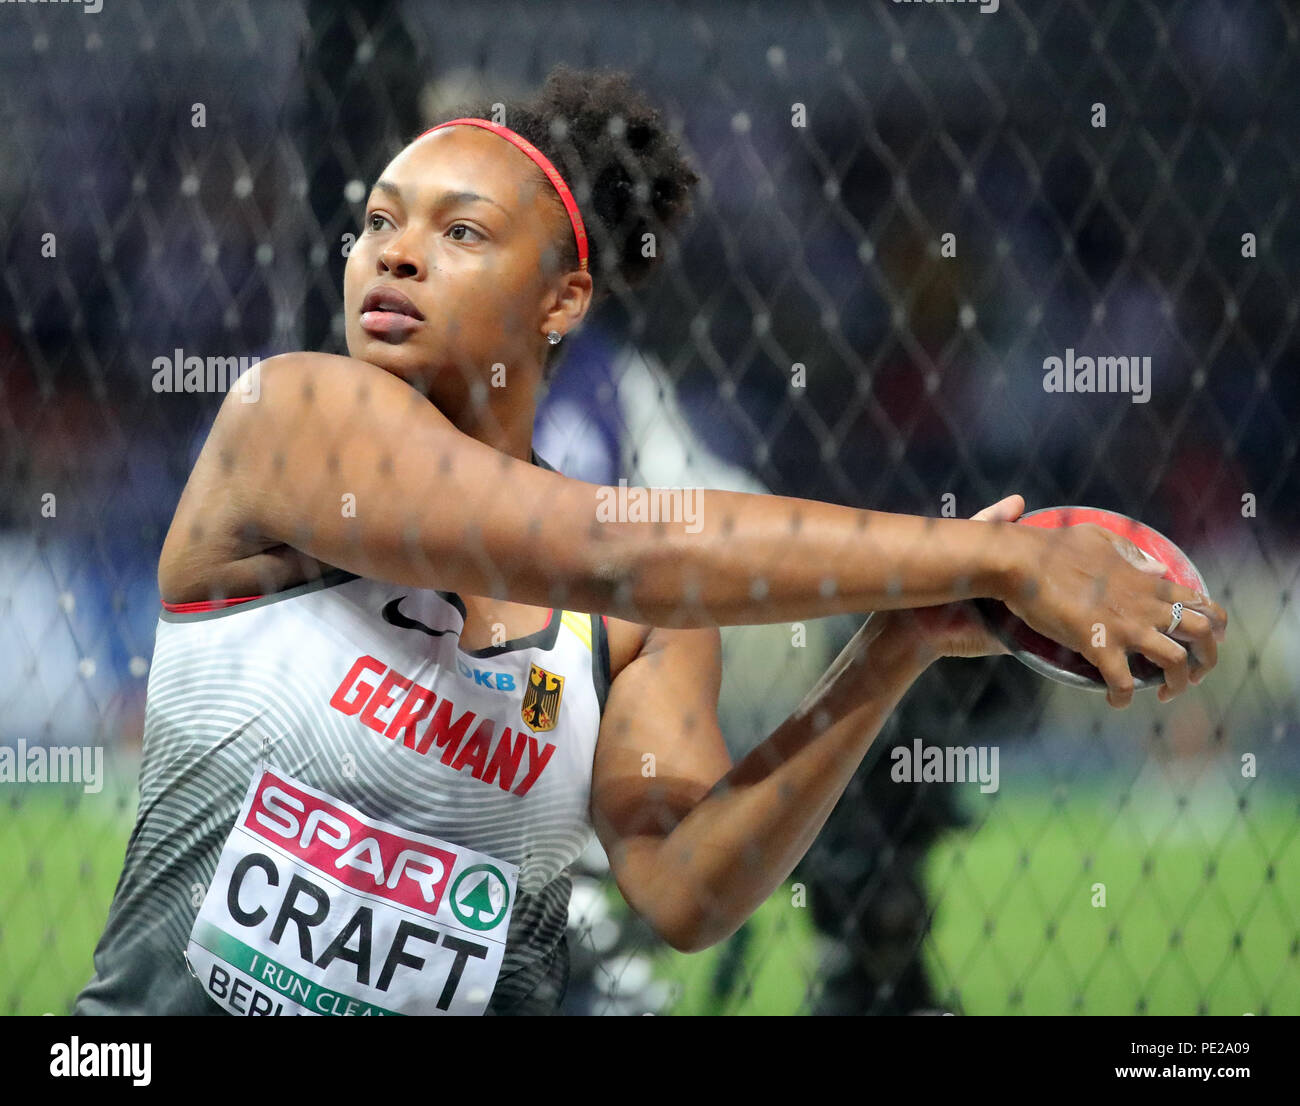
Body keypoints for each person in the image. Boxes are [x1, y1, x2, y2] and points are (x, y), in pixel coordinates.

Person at [74, 65, 1225, 1016]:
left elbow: (682, 888)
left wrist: (892, 649)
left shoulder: (627, 622)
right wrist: (994, 555)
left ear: (563, 301)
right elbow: (610, 543)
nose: (394, 252)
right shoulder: (293, 417)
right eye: (376, 220)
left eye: (458, 230)